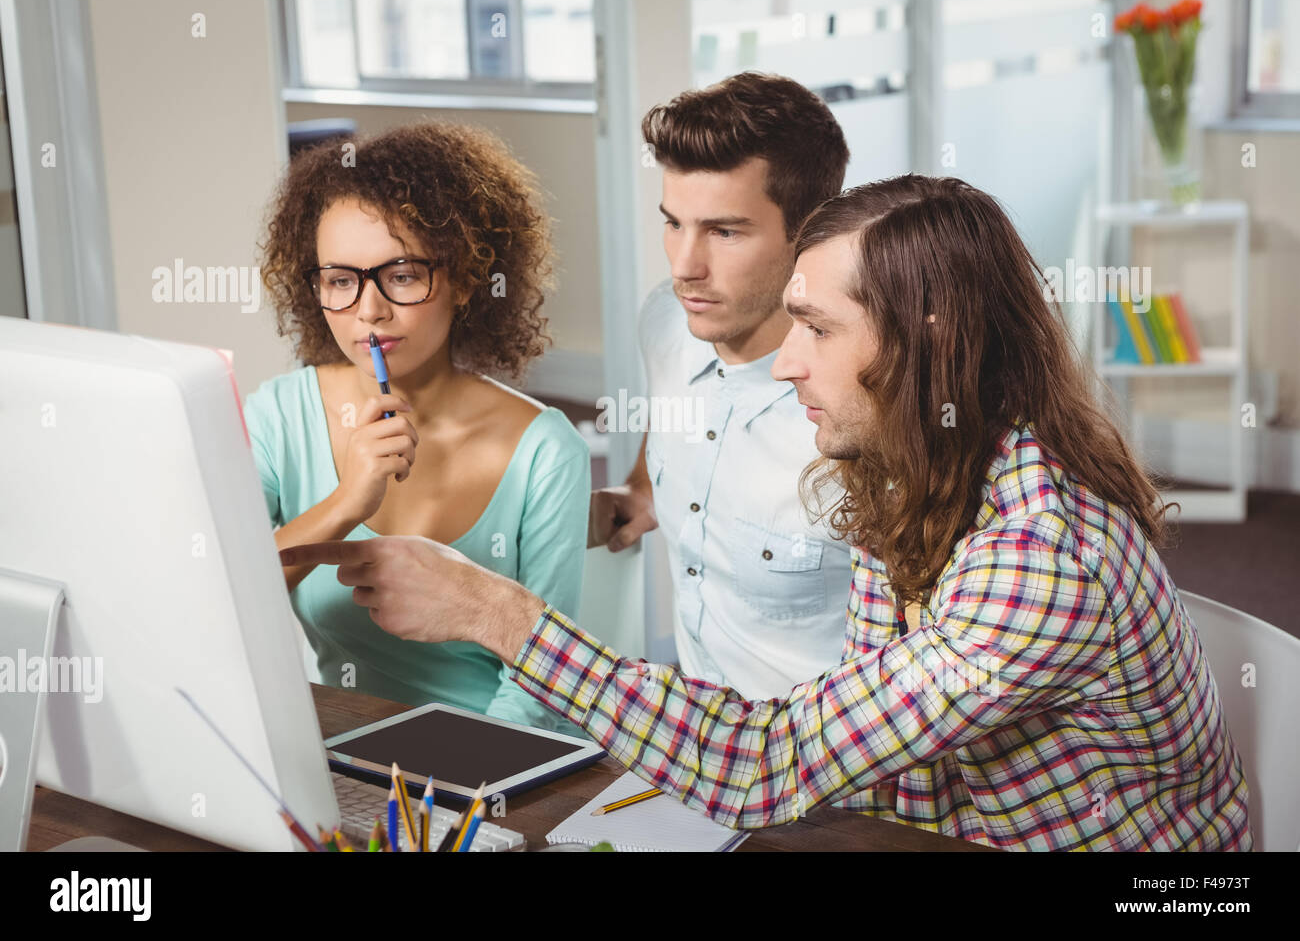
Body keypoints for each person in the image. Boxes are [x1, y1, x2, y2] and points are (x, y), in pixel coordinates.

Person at [279, 175, 1252, 850]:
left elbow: (771, 760)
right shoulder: (901, 467)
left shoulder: (1036, 556)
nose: (785, 362)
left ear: (929, 341)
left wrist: (493, 612)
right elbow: (837, 740)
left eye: (819, 329)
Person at [246, 121, 589, 734]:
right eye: (340, 281)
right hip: (340, 745)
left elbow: (544, 682)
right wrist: (346, 501)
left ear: (462, 278)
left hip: (498, 766)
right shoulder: (277, 415)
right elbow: (226, 605)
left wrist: (462, 797)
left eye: (401, 275)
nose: (369, 310)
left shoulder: (545, 449)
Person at [589, 72, 855, 698]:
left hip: (829, 776)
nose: (684, 267)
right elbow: (671, 407)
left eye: (725, 231)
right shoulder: (666, 319)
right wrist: (644, 487)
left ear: (809, 232)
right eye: (673, 224)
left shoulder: (865, 413)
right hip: (694, 744)